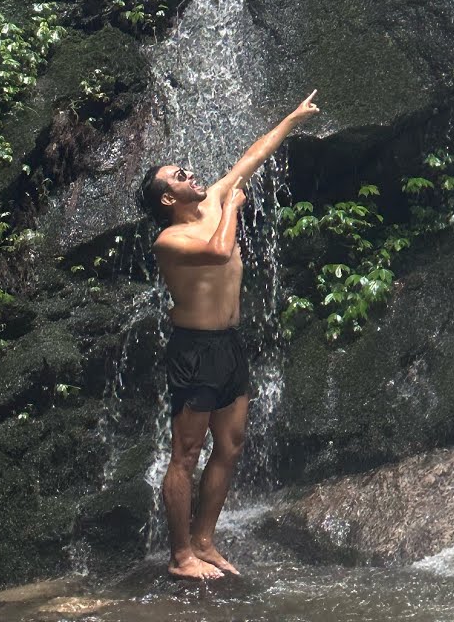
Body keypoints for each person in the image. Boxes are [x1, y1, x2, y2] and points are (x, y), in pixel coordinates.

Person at [135, 90, 320, 579]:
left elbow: (256, 152)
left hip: (229, 347)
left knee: (231, 444)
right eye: (178, 176)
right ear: (169, 199)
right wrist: (234, 206)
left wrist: (293, 117)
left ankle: (205, 540)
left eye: (186, 170)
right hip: (194, 350)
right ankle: (180, 557)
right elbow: (219, 252)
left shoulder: (215, 195)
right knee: (186, 453)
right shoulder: (170, 239)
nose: (190, 174)